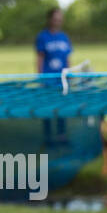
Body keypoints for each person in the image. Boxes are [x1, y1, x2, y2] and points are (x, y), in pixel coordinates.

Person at [35, 8, 71, 145]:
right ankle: (48, 138)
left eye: (60, 18)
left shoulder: (64, 37)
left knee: (62, 107)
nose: (58, 21)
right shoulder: (42, 36)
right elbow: (40, 58)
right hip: (48, 78)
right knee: (48, 108)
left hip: (62, 79)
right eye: (56, 18)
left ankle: (61, 136)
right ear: (50, 19)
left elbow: (67, 58)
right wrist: (40, 78)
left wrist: (69, 74)